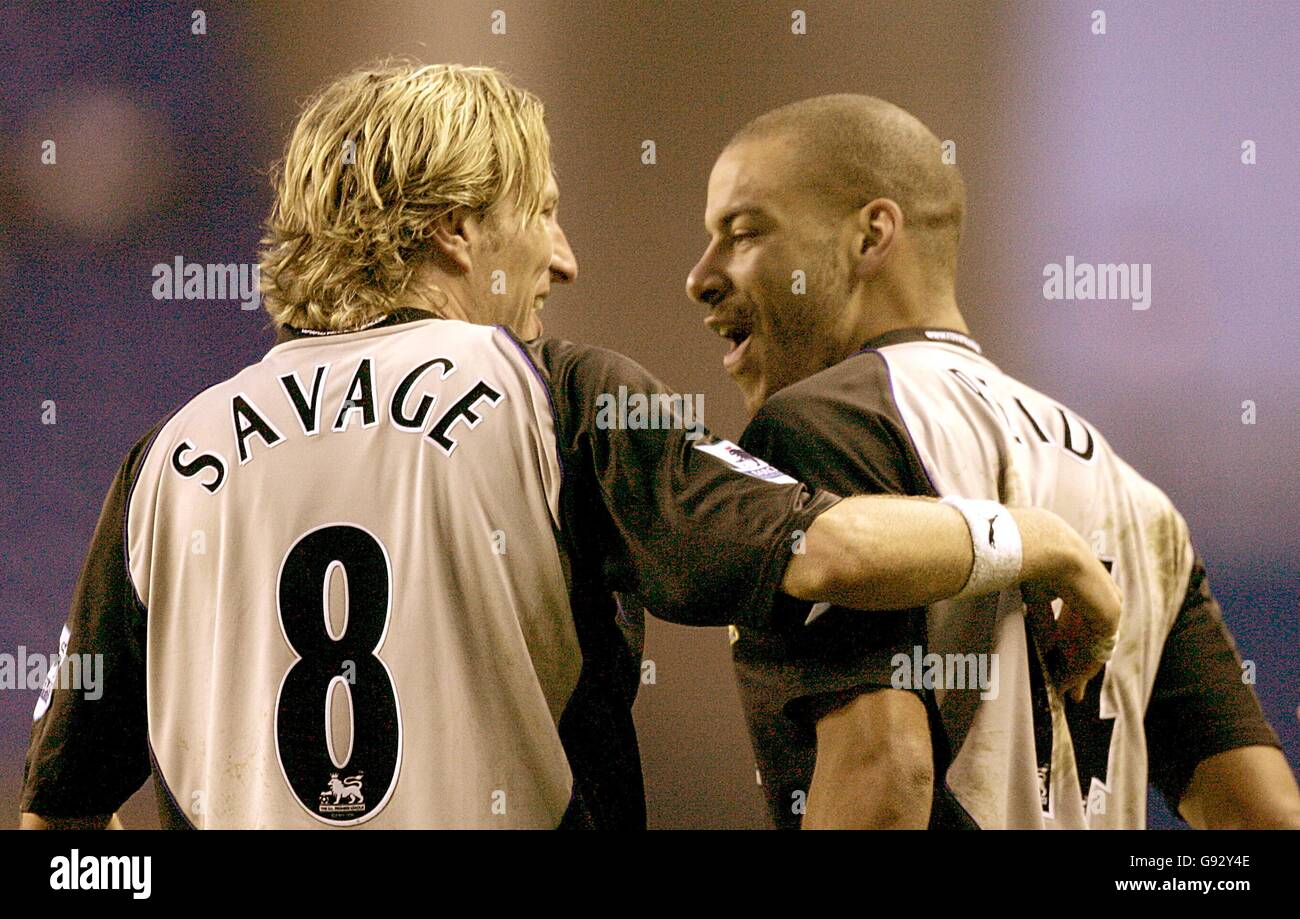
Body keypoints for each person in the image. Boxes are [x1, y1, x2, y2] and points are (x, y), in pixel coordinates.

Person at [20, 66, 1118, 830]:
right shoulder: (555, 398)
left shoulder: (167, 458)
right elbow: (826, 552)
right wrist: (1041, 539)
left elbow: (59, 815)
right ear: (455, 227)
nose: (564, 257)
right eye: (539, 211)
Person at [687, 94, 1300, 830]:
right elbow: (1262, 814)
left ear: (871, 236)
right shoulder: (1135, 494)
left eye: (743, 232)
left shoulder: (827, 427)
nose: (702, 275)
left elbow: (887, 774)